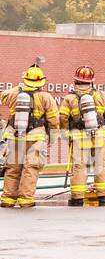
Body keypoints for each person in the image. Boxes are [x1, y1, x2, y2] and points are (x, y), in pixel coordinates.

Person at [1, 65, 62, 209]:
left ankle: (8, 199)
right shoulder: (45, 97)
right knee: (31, 169)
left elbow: (3, 95)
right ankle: (26, 200)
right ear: (41, 82)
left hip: (14, 137)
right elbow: (54, 120)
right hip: (35, 139)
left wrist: (19, 87)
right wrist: (52, 138)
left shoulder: (14, 93)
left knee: (12, 169)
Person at [61, 66, 105, 207]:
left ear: (75, 80)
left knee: (79, 167)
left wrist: (67, 134)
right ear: (92, 82)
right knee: (102, 166)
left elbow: (63, 118)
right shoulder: (102, 95)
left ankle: (77, 198)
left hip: (79, 138)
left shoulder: (70, 98)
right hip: (99, 137)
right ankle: (103, 197)